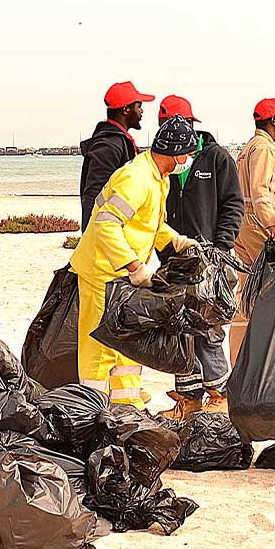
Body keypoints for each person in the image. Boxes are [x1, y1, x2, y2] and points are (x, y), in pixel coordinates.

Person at [70, 117, 199, 407]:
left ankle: (128, 407)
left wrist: (176, 241)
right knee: (100, 347)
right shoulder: (137, 178)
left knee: (128, 343)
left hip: (124, 276)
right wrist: (134, 267)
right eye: (188, 153)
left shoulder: (158, 178)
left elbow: (148, 224)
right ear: (176, 151)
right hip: (102, 273)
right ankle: (92, 410)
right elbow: (106, 224)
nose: (189, 159)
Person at [157, 95, 244, 417]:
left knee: (208, 327)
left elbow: (234, 204)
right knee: (179, 327)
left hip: (210, 256)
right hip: (174, 258)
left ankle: (220, 393)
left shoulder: (216, 158)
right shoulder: (164, 163)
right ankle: (189, 397)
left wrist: (222, 246)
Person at [230, 97, 275, 364]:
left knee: (246, 294)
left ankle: (238, 361)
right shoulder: (264, 149)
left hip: (242, 225)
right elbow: (259, 191)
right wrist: (271, 225)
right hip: (257, 225)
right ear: (273, 121)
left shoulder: (248, 148)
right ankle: (265, 360)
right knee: (274, 289)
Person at [80, 81, 154, 227]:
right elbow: (93, 196)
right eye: (139, 106)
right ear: (126, 110)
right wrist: (91, 237)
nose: (142, 111)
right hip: (106, 237)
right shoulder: (108, 147)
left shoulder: (119, 141)